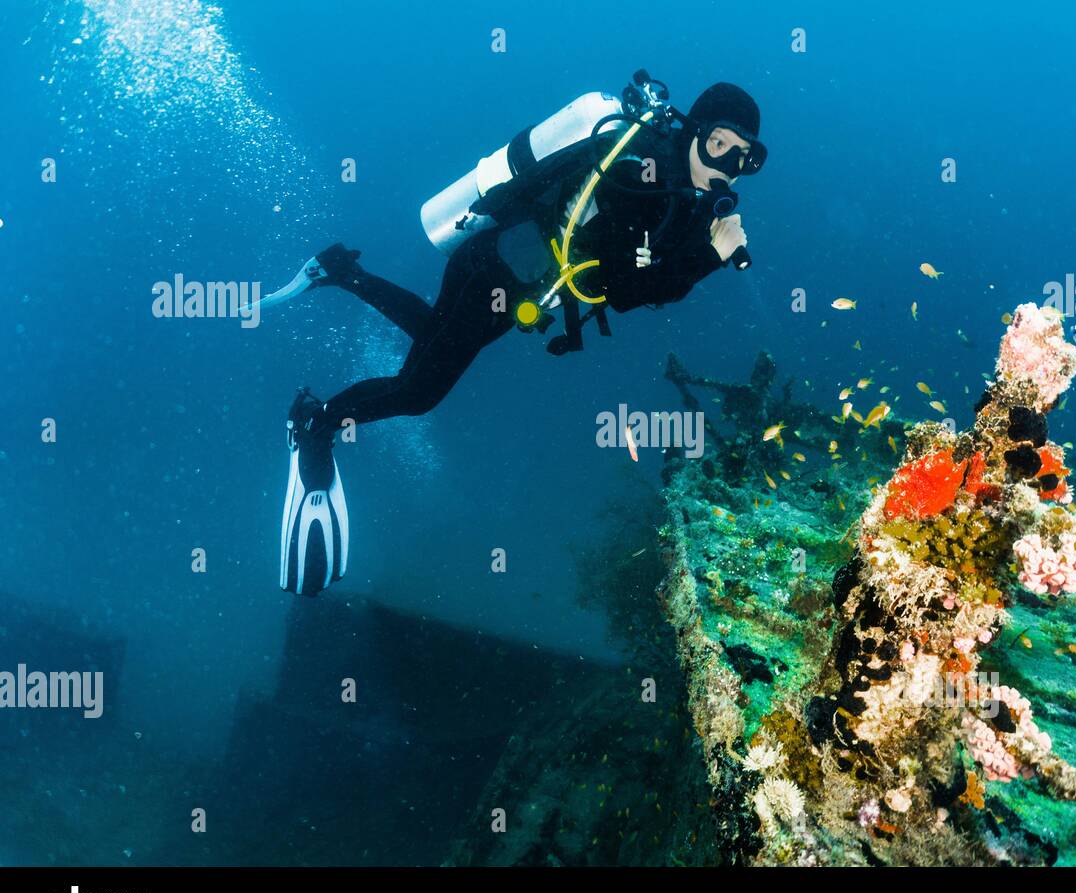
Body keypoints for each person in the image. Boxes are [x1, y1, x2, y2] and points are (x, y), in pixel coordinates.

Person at [278, 77, 766, 594]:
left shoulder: (680, 193)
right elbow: (622, 288)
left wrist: (700, 249)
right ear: (693, 130)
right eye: (718, 144)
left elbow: (641, 275)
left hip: (508, 270)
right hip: (497, 271)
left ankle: (339, 272)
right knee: (420, 391)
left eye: (741, 157)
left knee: (431, 337)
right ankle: (316, 424)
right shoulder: (640, 177)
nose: (724, 165)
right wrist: (710, 258)